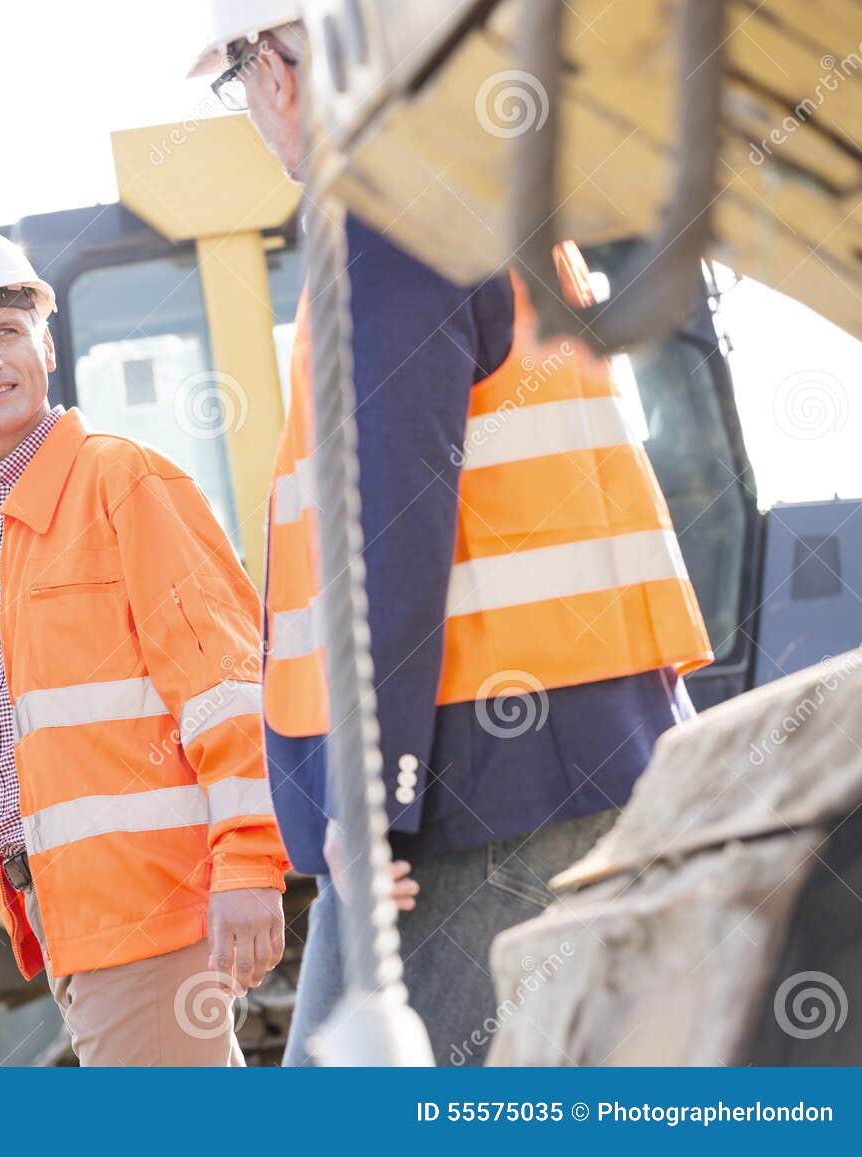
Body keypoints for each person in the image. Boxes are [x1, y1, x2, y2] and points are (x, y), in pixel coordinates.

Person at [187, 3, 714, 1064]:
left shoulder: (387, 217)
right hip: (555, 746)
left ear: (279, 69)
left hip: (471, 787)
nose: (248, 108)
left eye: (233, 80)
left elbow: (394, 516)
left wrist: (369, 797)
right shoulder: (483, 197)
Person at [0, 228, 291, 1065]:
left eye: (5, 332)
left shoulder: (122, 482)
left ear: (45, 345)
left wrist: (251, 862)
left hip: (153, 913)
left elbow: (229, 686)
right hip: (78, 925)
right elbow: (36, 738)